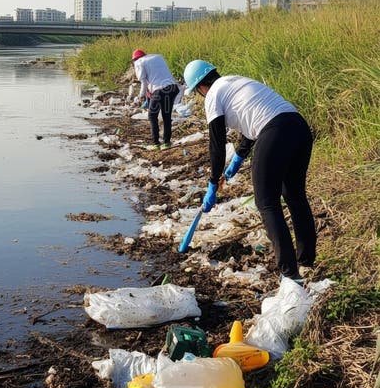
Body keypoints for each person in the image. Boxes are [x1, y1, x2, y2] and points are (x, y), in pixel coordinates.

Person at [183, 59, 316, 281]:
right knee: (295, 197)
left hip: (274, 131)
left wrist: (213, 182)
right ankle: (306, 262)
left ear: (200, 87)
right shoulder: (235, 82)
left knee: (267, 202)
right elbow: (254, 121)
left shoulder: (213, 94)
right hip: (299, 127)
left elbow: (216, 144)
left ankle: (290, 275)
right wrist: (238, 157)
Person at [132, 49, 180, 150]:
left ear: (135, 59)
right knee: (166, 116)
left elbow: (144, 83)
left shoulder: (139, 62)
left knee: (152, 116)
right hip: (172, 88)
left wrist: (140, 96)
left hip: (159, 91)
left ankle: (156, 143)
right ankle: (167, 143)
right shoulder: (158, 57)